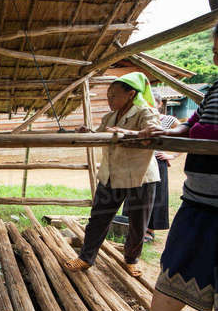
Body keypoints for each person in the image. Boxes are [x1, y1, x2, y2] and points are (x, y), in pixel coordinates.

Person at [109, 8, 218, 311]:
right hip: (198, 202)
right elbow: (193, 125)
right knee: (177, 267)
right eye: (216, 52)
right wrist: (169, 130)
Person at [65, 72, 161, 277]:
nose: (110, 100)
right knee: (98, 218)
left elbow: (154, 131)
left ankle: (131, 259)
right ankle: (85, 258)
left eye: (114, 96)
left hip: (140, 176)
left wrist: (127, 133)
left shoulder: (145, 112)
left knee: (138, 222)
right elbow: (101, 135)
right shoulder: (109, 117)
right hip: (112, 174)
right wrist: (88, 133)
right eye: (108, 96)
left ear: (130, 94)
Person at [122, 91, 180, 242]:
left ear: (160, 104)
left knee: (155, 197)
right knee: (133, 194)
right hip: (138, 161)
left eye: (152, 101)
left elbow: (187, 137)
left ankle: (149, 230)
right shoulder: (137, 118)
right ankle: (130, 228)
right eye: (145, 100)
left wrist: (172, 155)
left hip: (157, 162)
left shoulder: (168, 120)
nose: (147, 104)